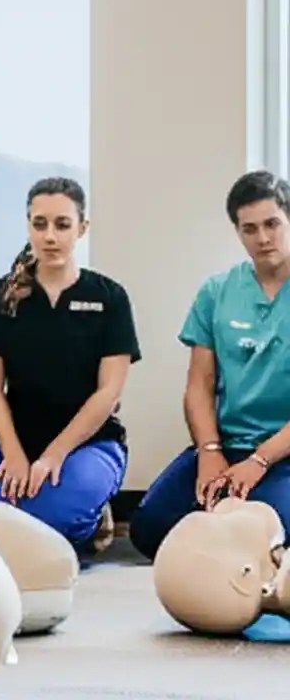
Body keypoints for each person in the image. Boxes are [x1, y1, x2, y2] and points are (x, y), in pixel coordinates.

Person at [0, 178, 140, 552]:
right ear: (28, 226)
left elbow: (109, 392)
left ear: (82, 229)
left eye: (62, 224)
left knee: (49, 522)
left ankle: (92, 518)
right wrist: (13, 455)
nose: (50, 236)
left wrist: (53, 456)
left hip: (88, 443)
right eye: (39, 224)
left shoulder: (109, 298)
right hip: (15, 438)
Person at [129, 170, 290, 560]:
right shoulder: (216, 292)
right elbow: (199, 384)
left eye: (272, 224)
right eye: (249, 228)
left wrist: (259, 460)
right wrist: (208, 451)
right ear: (237, 232)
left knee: (257, 530)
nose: (263, 238)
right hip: (227, 444)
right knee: (150, 529)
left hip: (282, 453)